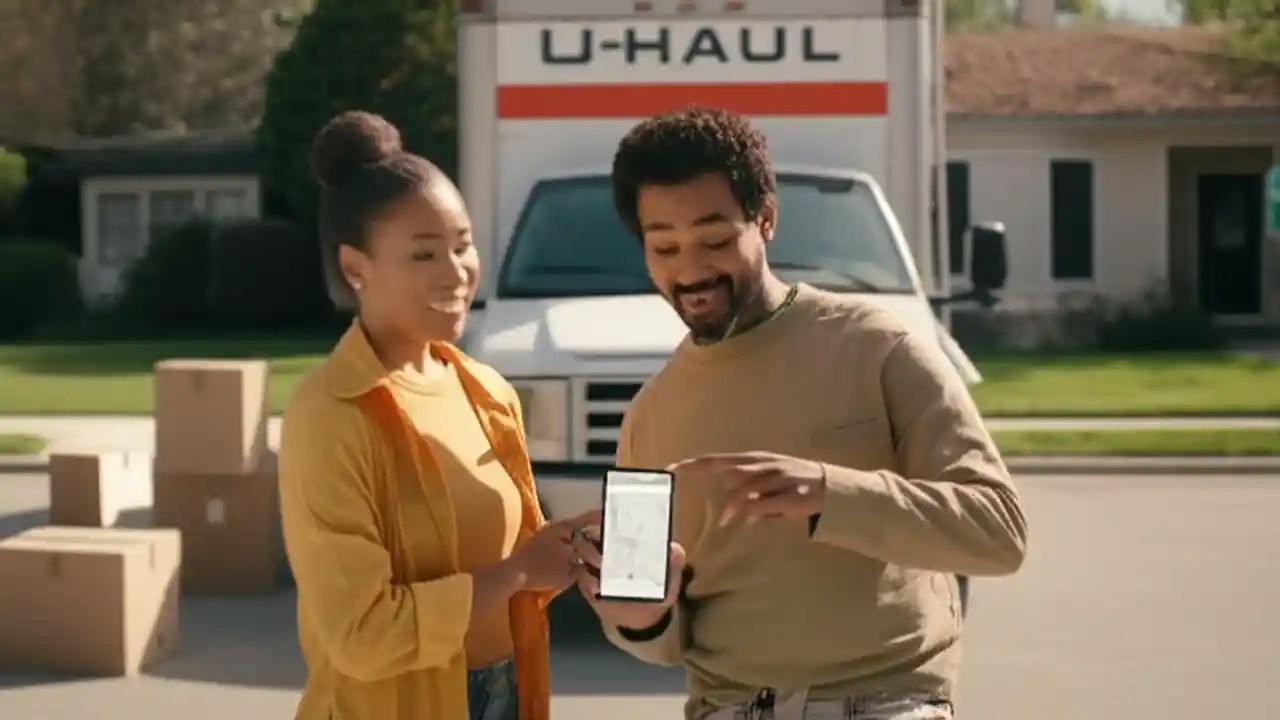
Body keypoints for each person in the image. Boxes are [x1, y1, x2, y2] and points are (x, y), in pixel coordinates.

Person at [571, 106, 1029, 720]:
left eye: (715, 239)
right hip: (731, 706)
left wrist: (826, 491)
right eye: (665, 247)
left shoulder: (879, 346)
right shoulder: (648, 416)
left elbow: (998, 534)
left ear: (766, 220)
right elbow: (653, 633)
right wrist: (639, 616)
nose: (690, 269)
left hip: (887, 699)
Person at [278, 110, 590, 720]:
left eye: (463, 244)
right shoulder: (330, 416)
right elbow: (362, 634)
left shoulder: (484, 390)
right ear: (355, 268)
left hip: (507, 693)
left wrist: (563, 552)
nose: (456, 273)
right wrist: (517, 574)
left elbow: (505, 565)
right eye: (424, 255)